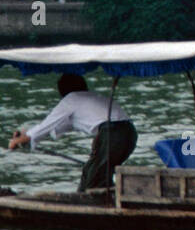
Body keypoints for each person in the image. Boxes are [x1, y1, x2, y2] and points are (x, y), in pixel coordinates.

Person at [7, 73, 138, 193]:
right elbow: (55, 128)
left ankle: (93, 205)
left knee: (95, 180)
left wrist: (19, 141)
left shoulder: (71, 99)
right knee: (92, 171)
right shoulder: (90, 98)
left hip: (113, 134)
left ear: (62, 91)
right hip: (129, 133)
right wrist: (27, 135)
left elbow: (46, 126)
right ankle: (86, 197)